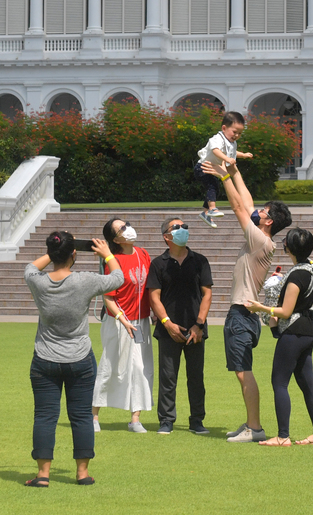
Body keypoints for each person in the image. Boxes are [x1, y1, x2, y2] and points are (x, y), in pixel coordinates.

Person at [201, 157, 292, 443]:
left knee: (243, 372)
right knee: (242, 370)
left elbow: (240, 207)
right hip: (245, 315)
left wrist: (222, 177)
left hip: (242, 315)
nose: (258, 211)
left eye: (263, 211)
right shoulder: (263, 238)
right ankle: (252, 425)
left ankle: (255, 428)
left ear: (269, 221)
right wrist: (233, 168)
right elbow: (248, 201)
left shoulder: (260, 240)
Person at [23, 231, 123, 487]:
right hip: (79, 358)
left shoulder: (38, 281)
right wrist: (107, 254)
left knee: (45, 416)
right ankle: (82, 474)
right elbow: (118, 278)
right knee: (80, 416)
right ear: (74, 254)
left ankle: (43, 475)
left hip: (45, 358)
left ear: (52, 253)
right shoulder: (84, 281)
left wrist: (55, 250)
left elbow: (31, 267)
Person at [243, 227, 313, 447]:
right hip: (308, 331)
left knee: (279, 383)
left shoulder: (297, 275)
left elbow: (286, 312)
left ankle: (282, 436)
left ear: (288, 248)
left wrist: (261, 307)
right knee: (307, 383)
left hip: (294, 332)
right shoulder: (310, 268)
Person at [145, 217, 213, 434]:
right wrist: (167, 324)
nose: (183, 230)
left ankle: (197, 421)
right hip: (168, 329)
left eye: (185, 227)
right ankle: (166, 420)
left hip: (196, 329)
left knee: (196, 377)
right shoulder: (158, 264)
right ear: (167, 236)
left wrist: (199, 324)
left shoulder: (200, 261)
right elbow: (154, 297)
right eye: (177, 227)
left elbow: (207, 294)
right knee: (168, 377)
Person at [92, 217, 154, 434]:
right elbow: (108, 298)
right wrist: (122, 319)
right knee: (110, 366)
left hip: (141, 320)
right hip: (118, 321)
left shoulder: (143, 254)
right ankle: (93, 415)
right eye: (122, 228)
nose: (128, 229)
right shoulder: (113, 261)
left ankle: (135, 418)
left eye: (127, 224)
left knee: (141, 368)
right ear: (115, 238)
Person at [195, 111, 253, 228]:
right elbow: (216, 150)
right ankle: (212, 209)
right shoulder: (217, 139)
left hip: (214, 169)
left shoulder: (231, 142)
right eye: (234, 132)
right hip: (203, 167)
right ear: (224, 128)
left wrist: (244, 155)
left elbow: (233, 153)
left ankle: (206, 213)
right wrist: (226, 158)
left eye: (240, 133)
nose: (236, 135)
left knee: (216, 189)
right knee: (212, 187)